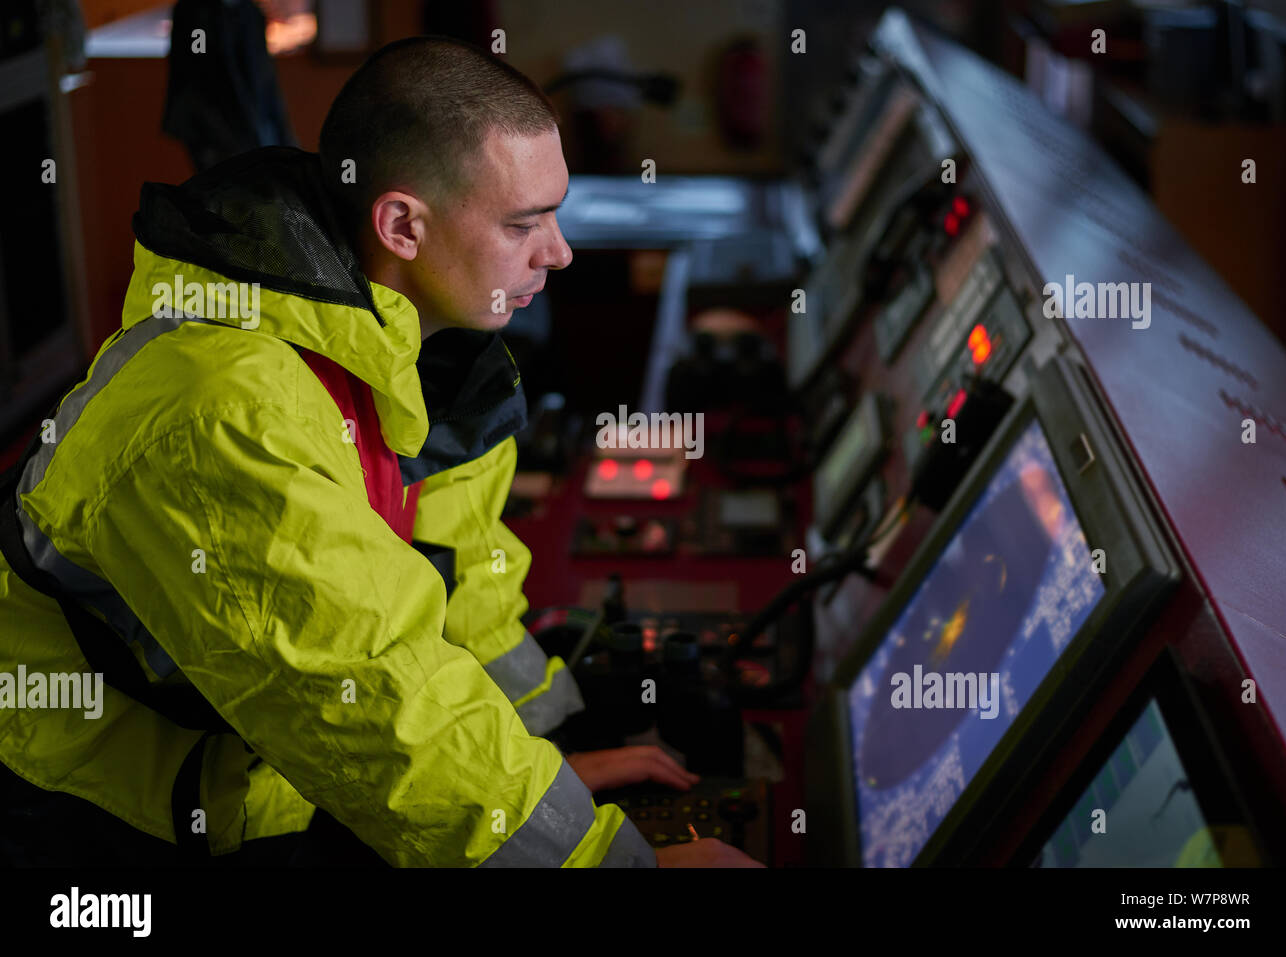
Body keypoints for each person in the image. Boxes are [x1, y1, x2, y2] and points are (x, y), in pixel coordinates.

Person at [0, 35, 760, 868]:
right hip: (93, 810)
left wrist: (553, 759)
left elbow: (458, 590)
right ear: (401, 223)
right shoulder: (218, 405)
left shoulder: (429, 351)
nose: (559, 252)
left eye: (556, 214)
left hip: (271, 768)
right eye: (522, 223)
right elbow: (365, 690)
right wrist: (599, 861)